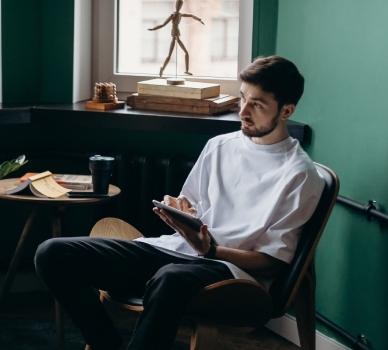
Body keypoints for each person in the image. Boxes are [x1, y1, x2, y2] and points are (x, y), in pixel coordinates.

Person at [34, 56, 324, 350]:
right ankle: (107, 344)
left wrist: (211, 249)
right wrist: (181, 209)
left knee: (170, 278)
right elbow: (194, 204)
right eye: (242, 98)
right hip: (177, 252)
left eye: (257, 104)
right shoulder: (220, 146)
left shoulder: (299, 174)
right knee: (52, 253)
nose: (243, 111)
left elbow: (271, 262)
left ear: (286, 111)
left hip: (233, 275)